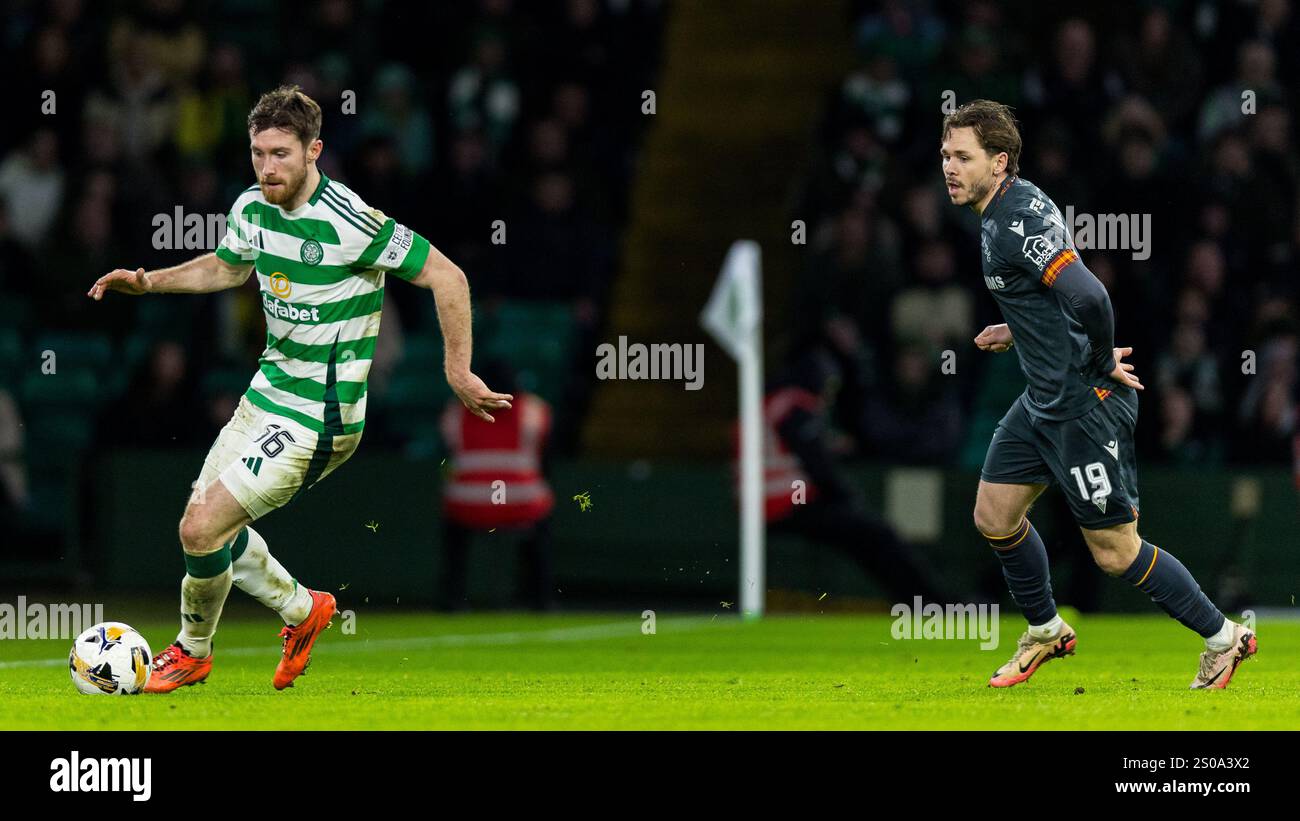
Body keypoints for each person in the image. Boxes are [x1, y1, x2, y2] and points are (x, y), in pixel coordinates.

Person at [87, 85, 512, 692]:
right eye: (258, 152)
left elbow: (449, 275)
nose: (267, 167)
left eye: (281, 154)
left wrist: (457, 370)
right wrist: (149, 281)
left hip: (323, 416)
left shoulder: (351, 221)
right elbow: (227, 266)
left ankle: (193, 651)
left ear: (315, 150)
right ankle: (302, 611)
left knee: (200, 531)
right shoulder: (251, 210)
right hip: (267, 394)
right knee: (204, 531)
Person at [942, 99, 1255, 689]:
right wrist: (1021, 329)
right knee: (993, 514)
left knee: (1115, 552)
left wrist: (1094, 358)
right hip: (1042, 397)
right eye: (945, 156)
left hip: (1084, 405)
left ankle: (1225, 637)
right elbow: (1057, 298)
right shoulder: (1011, 203)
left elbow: (1092, 299)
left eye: (963, 157)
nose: (949, 168)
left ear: (999, 161)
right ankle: (1045, 631)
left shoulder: (1013, 223)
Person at [748, 348, 959, 603]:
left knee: (866, 535)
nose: (828, 396)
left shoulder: (771, 401)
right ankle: (934, 603)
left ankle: (922, 600)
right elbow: (816, 463)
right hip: (785, 506)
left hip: (766, 506)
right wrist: (845, 496)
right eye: (829, 386)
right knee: (878, 534)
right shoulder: (796, 403)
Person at [439, 361, 554, 611]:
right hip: (522, 502)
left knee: (453, 533)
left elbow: (447, 450)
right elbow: (546, 454)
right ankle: (542, 600)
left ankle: (452, 599)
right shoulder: (535, 409)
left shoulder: (455, 410)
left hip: (467, 502)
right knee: (542, 523)